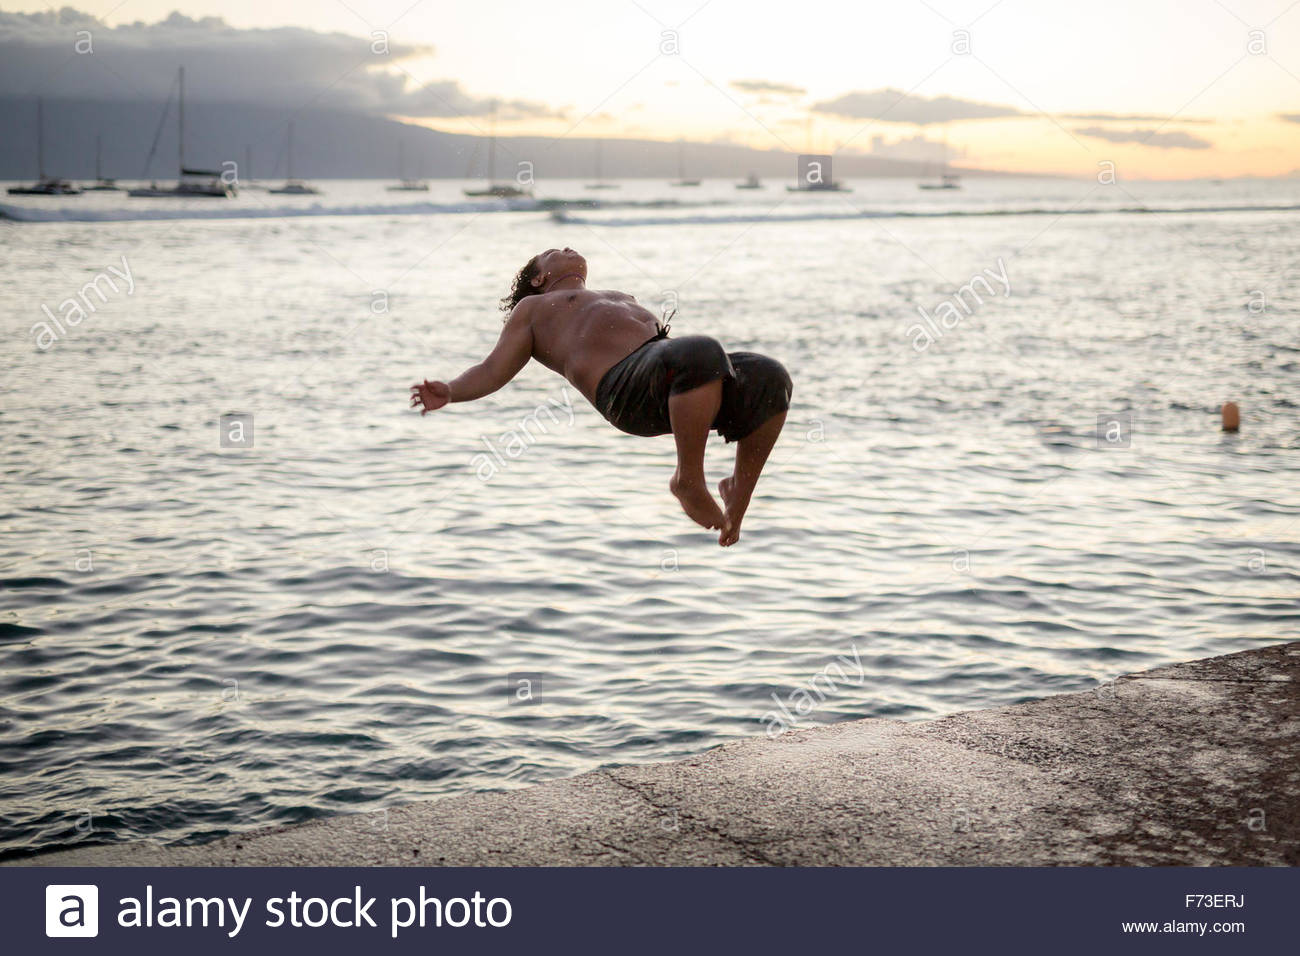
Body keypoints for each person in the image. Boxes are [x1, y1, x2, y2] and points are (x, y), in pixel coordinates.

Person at [411, 248, 791, 546]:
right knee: (700, 349)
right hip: (625, 389)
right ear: (540, 278)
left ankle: (738, 498)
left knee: (770, 376)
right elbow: (492, 369)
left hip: (675, 379)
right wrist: (452, 390)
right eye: (552, 252)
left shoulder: (617, 295)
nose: (565, 247)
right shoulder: (534, 309)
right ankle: (688, 479)